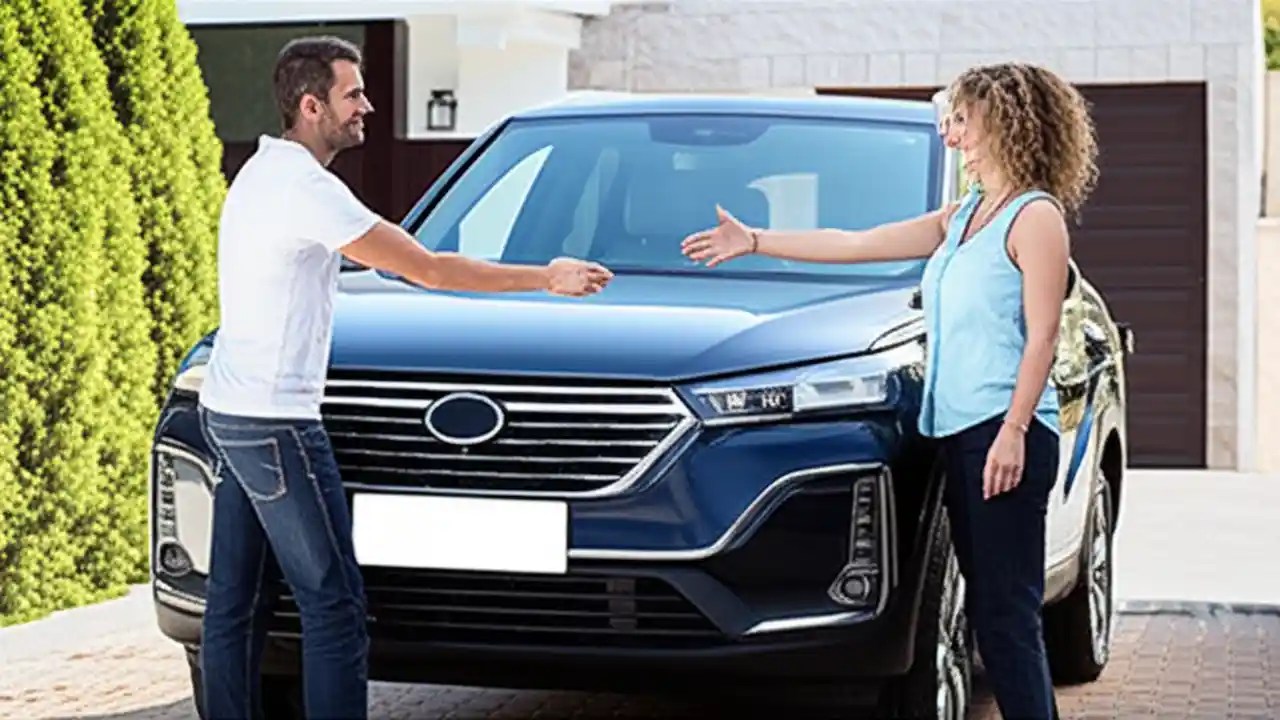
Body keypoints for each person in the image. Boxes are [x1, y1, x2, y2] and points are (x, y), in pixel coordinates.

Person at [195, 36, 612, 719]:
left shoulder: (260, 173)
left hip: (231, 410)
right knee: (333, 604)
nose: (368, 105)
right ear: (310, 105)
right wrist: (547, 277)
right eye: (352, 94)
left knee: (235, 604)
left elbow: (321, 260)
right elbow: (429, 269)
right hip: (275, 424)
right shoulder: (307, 188)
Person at [682, 61, 1097, 720]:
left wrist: (1015, 430)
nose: (952, 134)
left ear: (1007, 125)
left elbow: (1043, 335)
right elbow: (856, 242)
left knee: (1007, 614)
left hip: (1003, 433)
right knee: (988, 611)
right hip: (962, 432)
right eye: (952, 120)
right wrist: (755, 240)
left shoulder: (1034, 218)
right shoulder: (964, 218)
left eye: (964, 121)